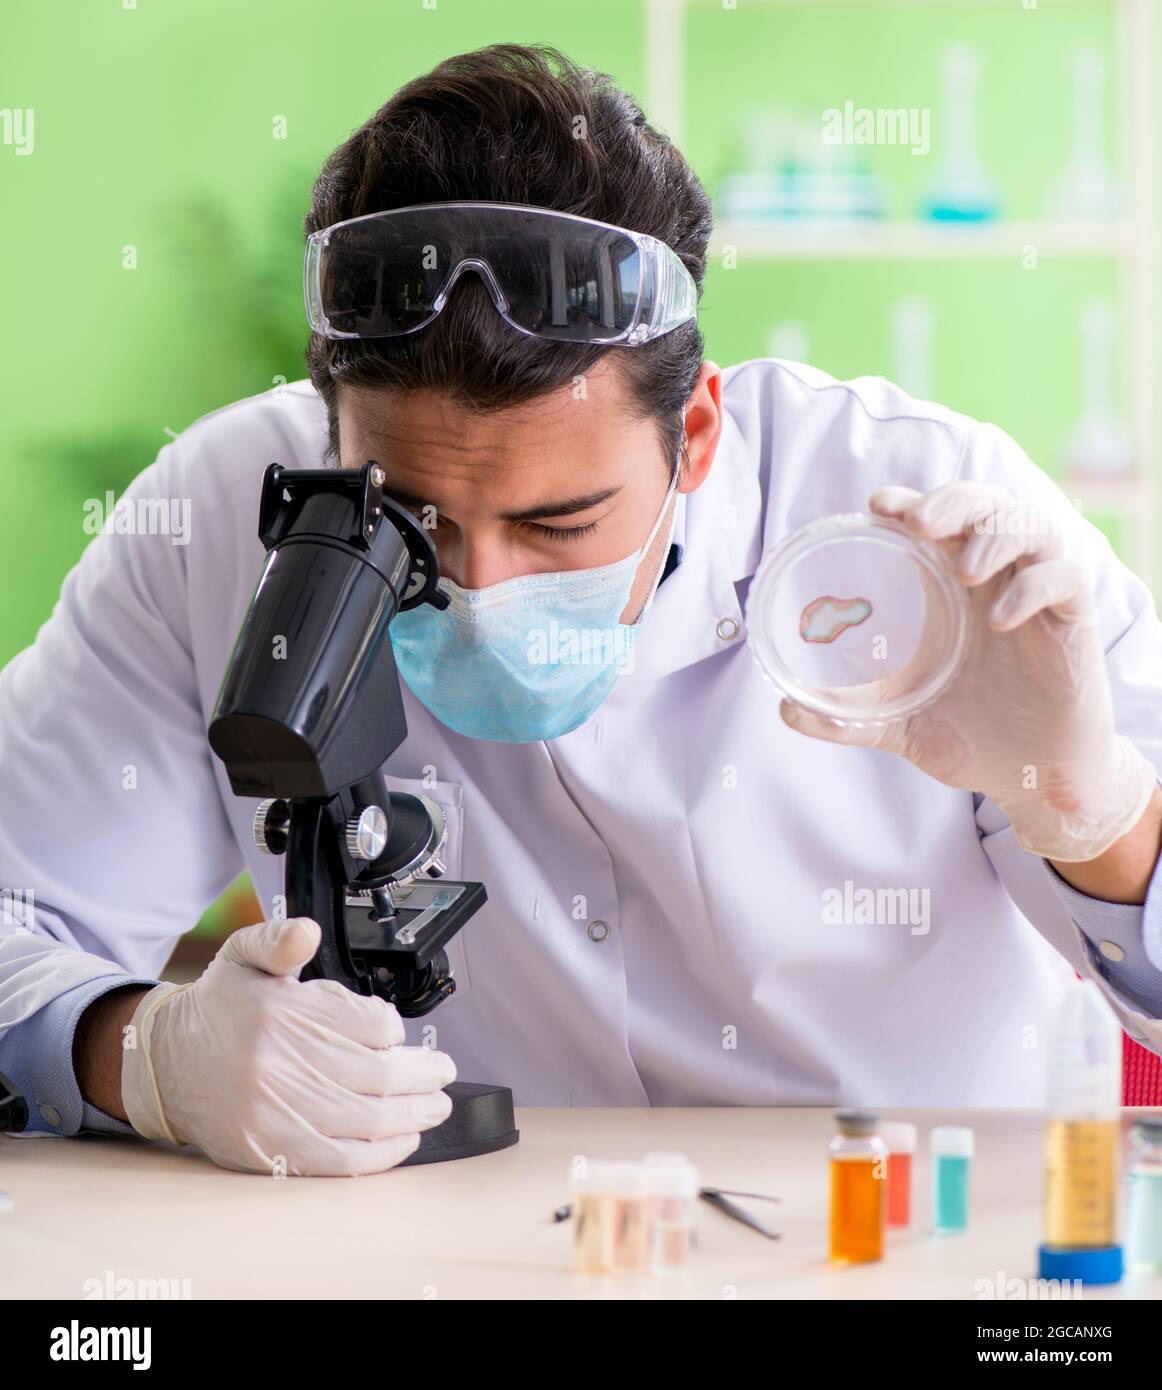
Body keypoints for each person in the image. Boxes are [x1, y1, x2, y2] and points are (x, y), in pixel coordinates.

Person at [2, 44, 1161, 1177]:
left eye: (560, 525)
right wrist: (136, 1053)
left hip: (907, 1235)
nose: (483, 589)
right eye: (413, 523)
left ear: (695, 435)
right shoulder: (223, 519)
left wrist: (1085, 807)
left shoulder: (931, 524)